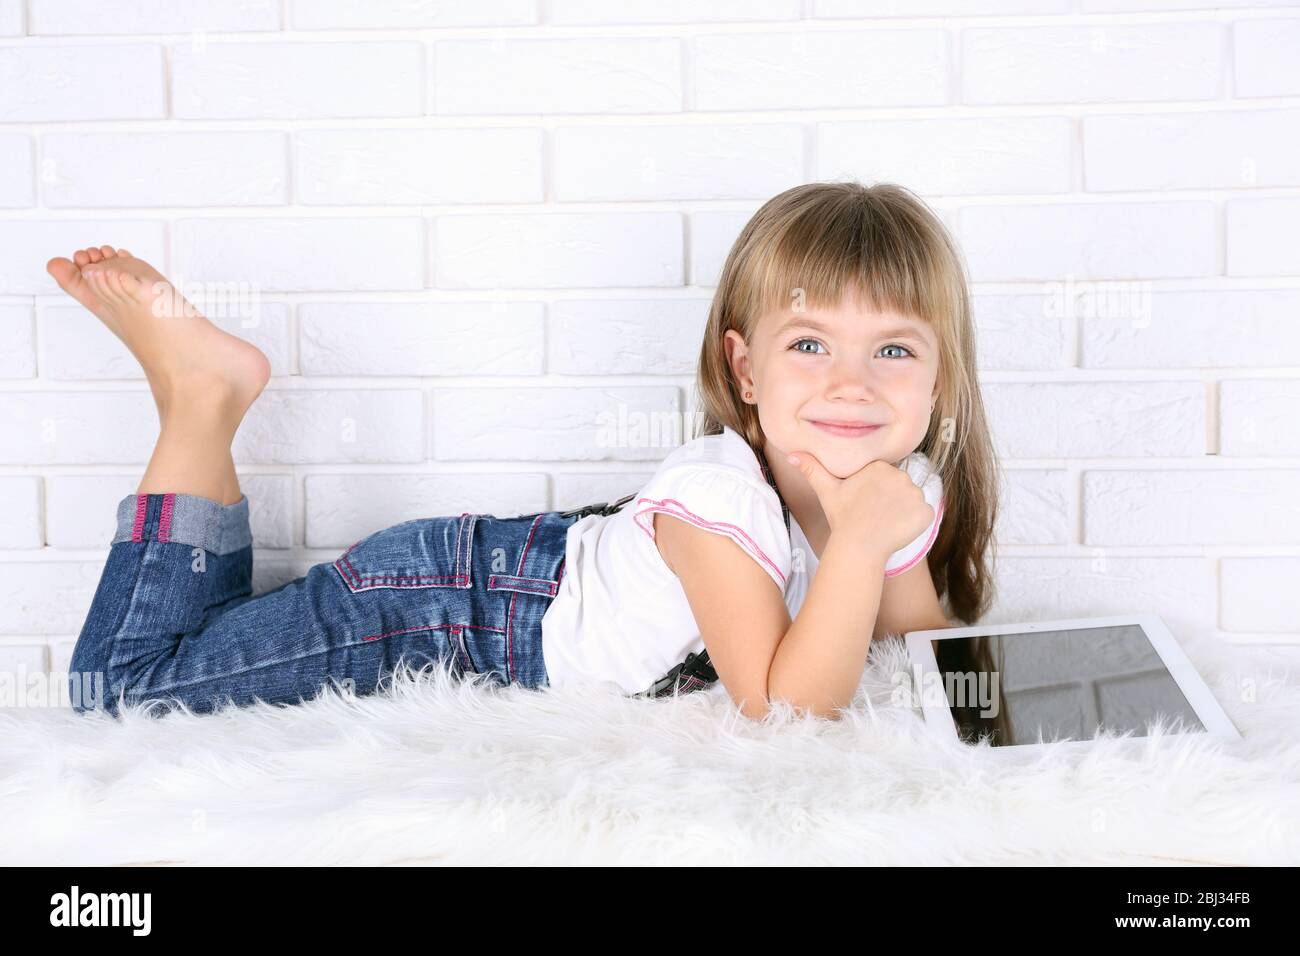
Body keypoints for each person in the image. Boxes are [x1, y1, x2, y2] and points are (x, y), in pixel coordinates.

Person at [55, 180, 998, 721]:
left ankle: (203, 403)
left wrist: (885, 541)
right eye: (809, 344)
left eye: (894, 350)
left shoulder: (895, 486)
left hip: (522, 570)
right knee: (122, 696)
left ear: (939, 377)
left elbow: (914, 651)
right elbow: (785, 712)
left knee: (210, 654)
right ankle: (200, 400)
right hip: (441, 607)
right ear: (744, 370)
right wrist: (864, 541)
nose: (852, 383)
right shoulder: (721, 498)